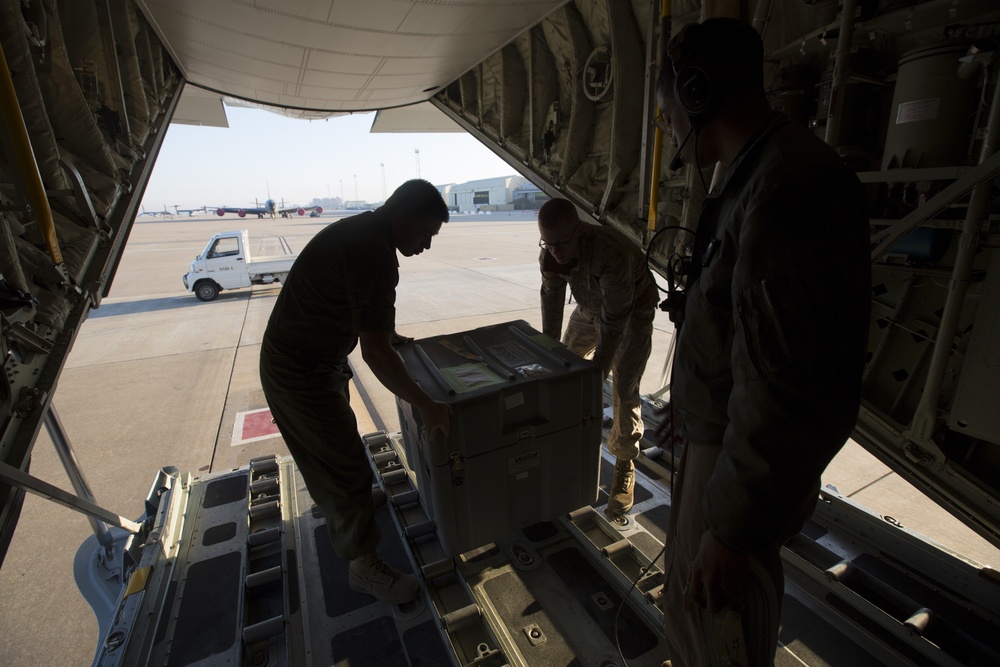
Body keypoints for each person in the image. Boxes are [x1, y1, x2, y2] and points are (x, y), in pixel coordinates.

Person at [655, 18, 870, 666]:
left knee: (717, 620)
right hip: (718, 447)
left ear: (696, 95)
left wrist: (733, 527)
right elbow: (732, 336)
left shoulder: (789, 187)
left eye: (667, 110)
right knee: (694, 619)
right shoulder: (751, 179)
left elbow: (786, 380)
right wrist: (689, 414)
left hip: (737, 474)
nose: (666, 128)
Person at [259, 179, 452, 605]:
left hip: (312, 359)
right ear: (399, 217)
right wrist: (427, 405)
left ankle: (348, 507)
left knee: (336, 448)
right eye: (424, 234)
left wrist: (386, 332)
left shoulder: (365, 233)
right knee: (342, 463)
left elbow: (365, 318)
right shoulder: (373, 254)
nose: (426, 246)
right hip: (299, 370)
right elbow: (376, 355)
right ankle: (363, 567)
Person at [538, 197, 658, 515]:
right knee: (563, 364)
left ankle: (624, 463)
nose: (556, 252)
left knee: (622, 388)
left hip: (630, 312)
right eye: (548, 244)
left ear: (580, 231)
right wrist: (549, 353)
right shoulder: (551, 252)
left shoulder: (610, 253)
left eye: (562, 243)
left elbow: (615, 322)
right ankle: (565, 441)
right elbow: (551, 297)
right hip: (590, 306)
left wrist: (597, 374)